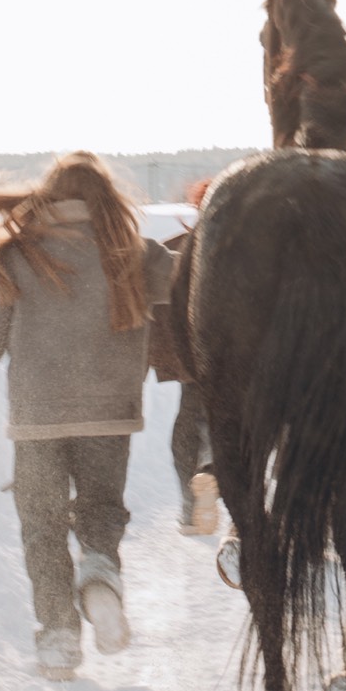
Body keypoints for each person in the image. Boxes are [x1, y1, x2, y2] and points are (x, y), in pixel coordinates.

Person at [0, 152, 175, 680]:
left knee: (43, 527)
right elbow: (185, 288)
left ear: (47, 196)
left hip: (38, 418)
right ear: (106, 200)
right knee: (100, 510)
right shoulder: (137, 255)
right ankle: (99, 574)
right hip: (110, 416)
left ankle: (58, 636)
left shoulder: (17, 254)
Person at [146, 179, 220, 537]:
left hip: (192, 360)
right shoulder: (256, 251)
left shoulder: (178, 247)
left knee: (188, 426)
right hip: (241, 365)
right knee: (235, 427)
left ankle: (191, 511)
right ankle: (215, 475)